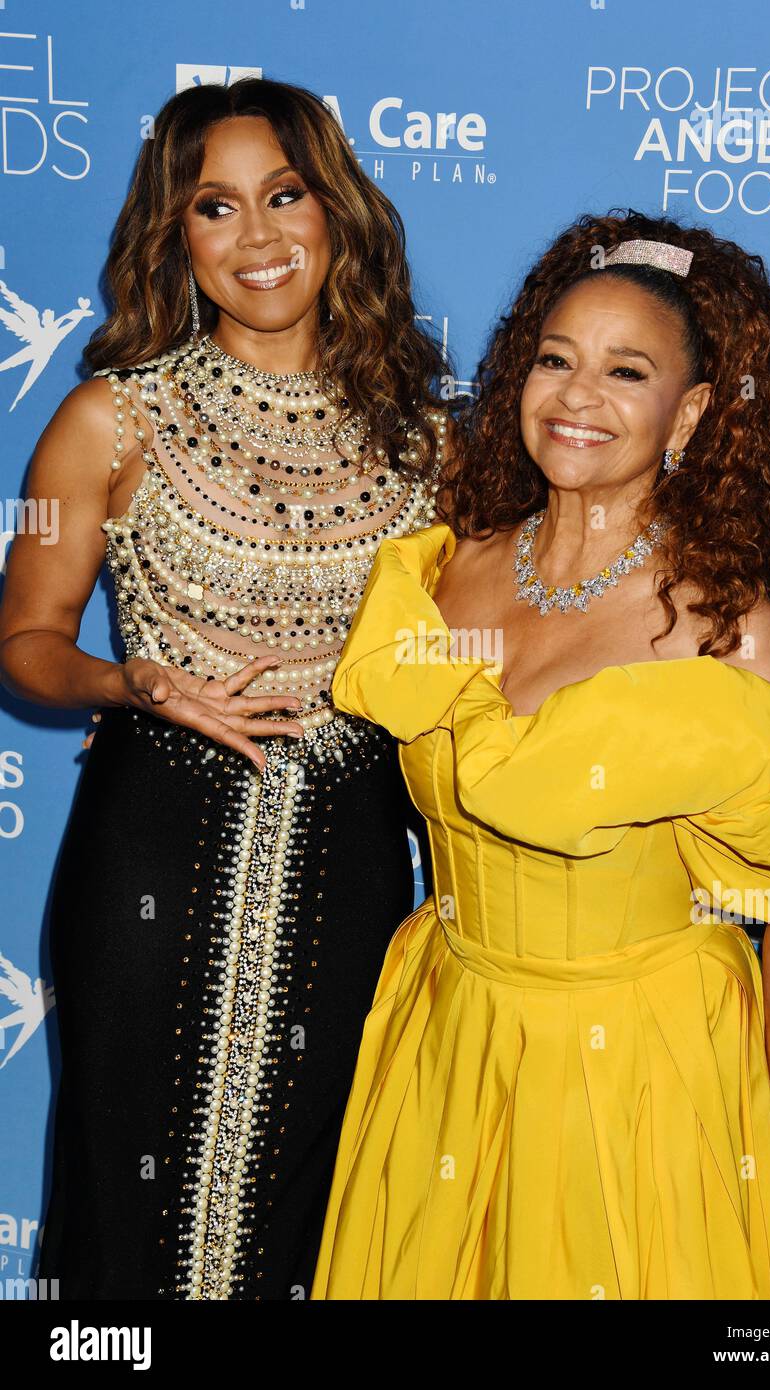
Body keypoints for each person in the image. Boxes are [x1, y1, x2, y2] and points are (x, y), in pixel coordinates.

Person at [310, 211, 770, 1300]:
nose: (576, 397)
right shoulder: (446, 571)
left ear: (691, 413)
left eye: (626, 371)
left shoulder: (726, 623)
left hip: (644, 1068)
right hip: (449, 1036)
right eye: (554, 359)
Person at [0, 77, 454, 1300]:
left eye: (284, 195)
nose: (257, 239)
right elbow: (28, 640)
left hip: (351, 860)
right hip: (151, 842)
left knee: (307, 1206)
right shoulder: (109, 419)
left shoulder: (430, 439)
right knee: (123, 1185)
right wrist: (130, 681)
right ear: (176, 234)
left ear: (336, 208)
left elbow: (481, 657)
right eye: (215, 207)